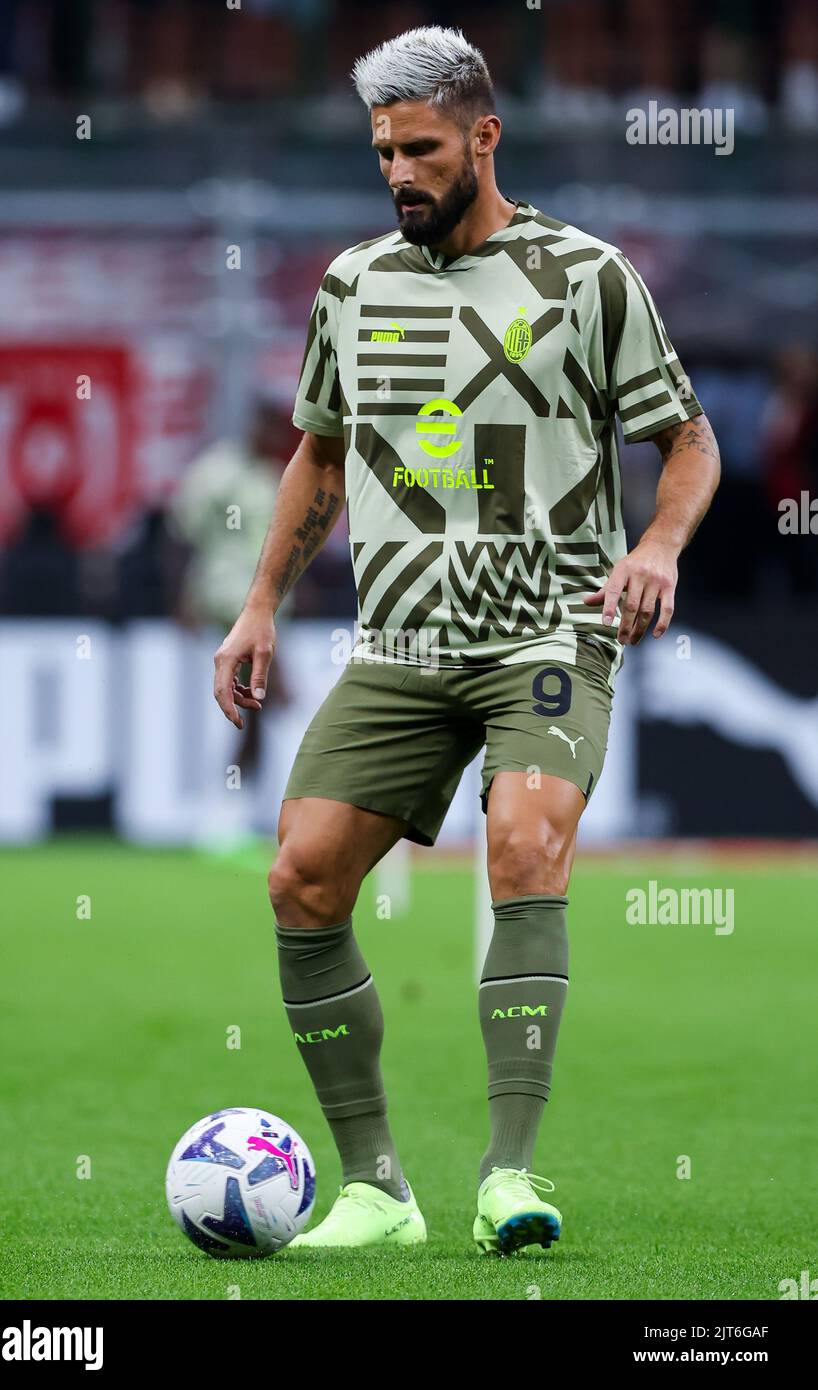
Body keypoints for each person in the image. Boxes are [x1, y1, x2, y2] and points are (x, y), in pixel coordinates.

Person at [213, 26, 720, 1256]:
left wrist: (656, 546)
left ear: (483, 137)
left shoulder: (586, 277)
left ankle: (506, 1175)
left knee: (524, 843)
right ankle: (377, 1189)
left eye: (423, 150)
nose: (399, 172)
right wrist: (260, 600)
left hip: (545, 626)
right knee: (301, 877)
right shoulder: (351, 285)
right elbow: (319, 454)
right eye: (383, 151)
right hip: (398, 641)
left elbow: (687, 439)